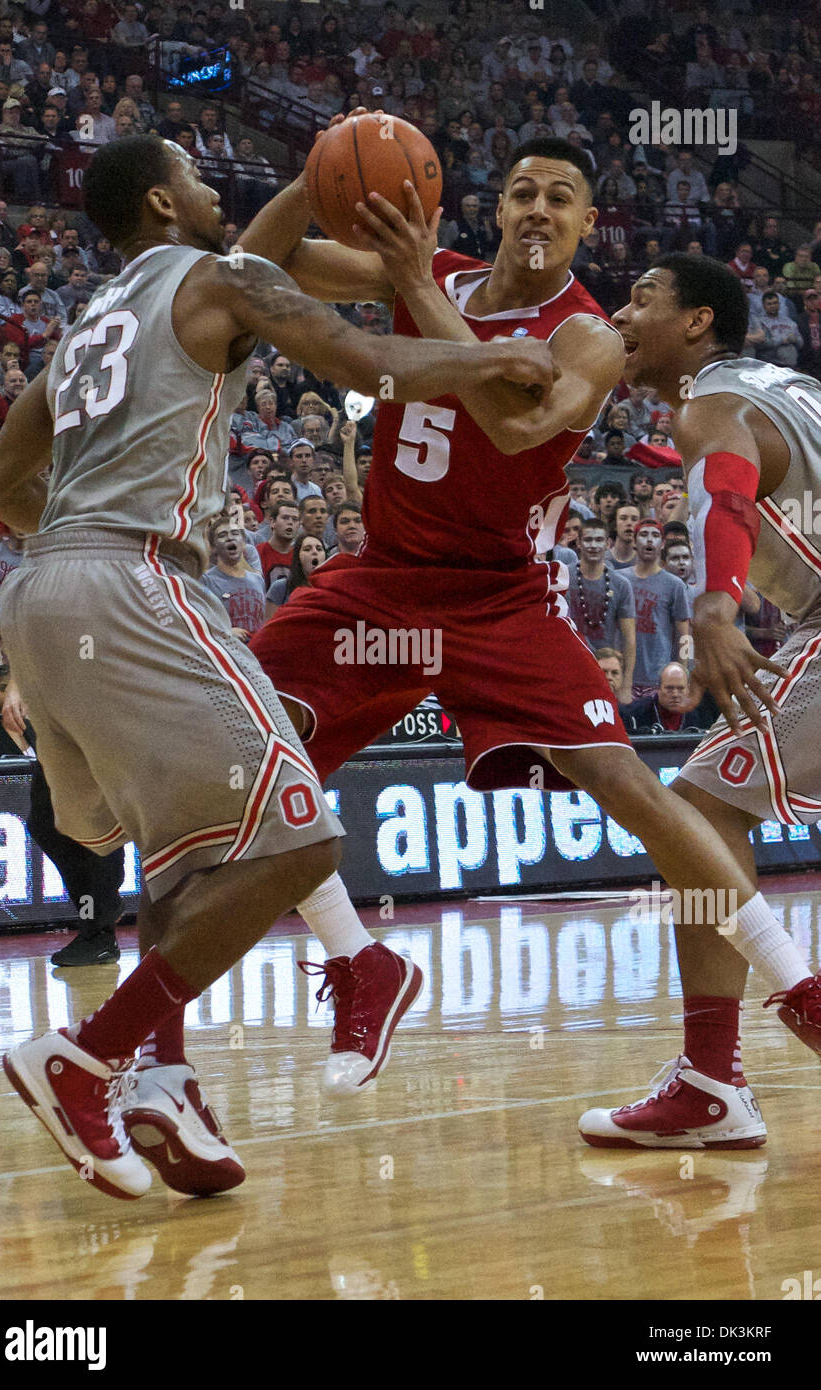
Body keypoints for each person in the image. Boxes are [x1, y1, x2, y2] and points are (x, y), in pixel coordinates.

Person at [0, 135, 541, 1201]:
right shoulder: (219, 276)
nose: (210, 190)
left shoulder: (89, 320)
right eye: (196, 174)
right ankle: (88, 1055)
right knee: (302, 837)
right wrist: (492, 358)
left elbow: (4, 475)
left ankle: (167, 1077)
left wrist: (69, 543)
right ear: (162, 199)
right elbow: (361, 363)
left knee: (188, 853)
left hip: (39, 592)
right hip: (133, 579)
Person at [241, 130, 796, 1104]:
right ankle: (177, 1048)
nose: (538, 208)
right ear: (493, 211)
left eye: (561, 198)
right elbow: (261, 266)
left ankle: (793, 987)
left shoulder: (583, 331)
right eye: (521, 192)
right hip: (383, 581)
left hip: (501, 598)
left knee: (630, 785)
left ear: (585, 224)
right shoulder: (432, 268)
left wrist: (410, 287)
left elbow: (513, 422)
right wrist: (316, 175)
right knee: (237, 747)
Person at [580, 252, 821, 1149]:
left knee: (698, 812)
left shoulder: (710, 405)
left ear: (695, 323)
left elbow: (727, 485)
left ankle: (712, 1078)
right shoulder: (785, 382)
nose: (621, 308)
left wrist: (717, 602)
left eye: (642, 296)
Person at [567, 518, 635, 701]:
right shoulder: (564, 579)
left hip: (608, 669)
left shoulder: (621, 584)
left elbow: (629, 638)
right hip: (571, 666)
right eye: (588, 540)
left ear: (607, 544)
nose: (593, 545)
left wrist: (626, 684)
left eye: (599, 540)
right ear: (579, 543)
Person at [626, 519, 691, 697]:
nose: (649, 540)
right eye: (643, 535)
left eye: (655, 536)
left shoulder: (674, 585)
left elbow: (685, 634)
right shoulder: (618, 580)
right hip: (624, 677)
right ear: (633, 541)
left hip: (659, 679)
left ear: (662, 544)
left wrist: (684, 673)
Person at [201, 515, 266, 643]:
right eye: (222, 535)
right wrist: (225, 632)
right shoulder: (205, 581)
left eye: (235, 533)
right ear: (213, 547)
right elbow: (199, 621)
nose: (230, 537)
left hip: (256, 653)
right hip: (226, 653)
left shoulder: (258, 580)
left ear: (243, 543)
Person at [620, 661, 718, 735]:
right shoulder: (635, 714)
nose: (675, 694)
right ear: (658, 688)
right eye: (669, 688)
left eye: (680, 689)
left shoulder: (702, 715)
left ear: (688, 689)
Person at [265, 532, 327, 618]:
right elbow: (268, 628)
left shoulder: (331, 589)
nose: (315, 552)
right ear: (298, 557)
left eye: (319, 549)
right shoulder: (280, 587)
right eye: (307, 549)